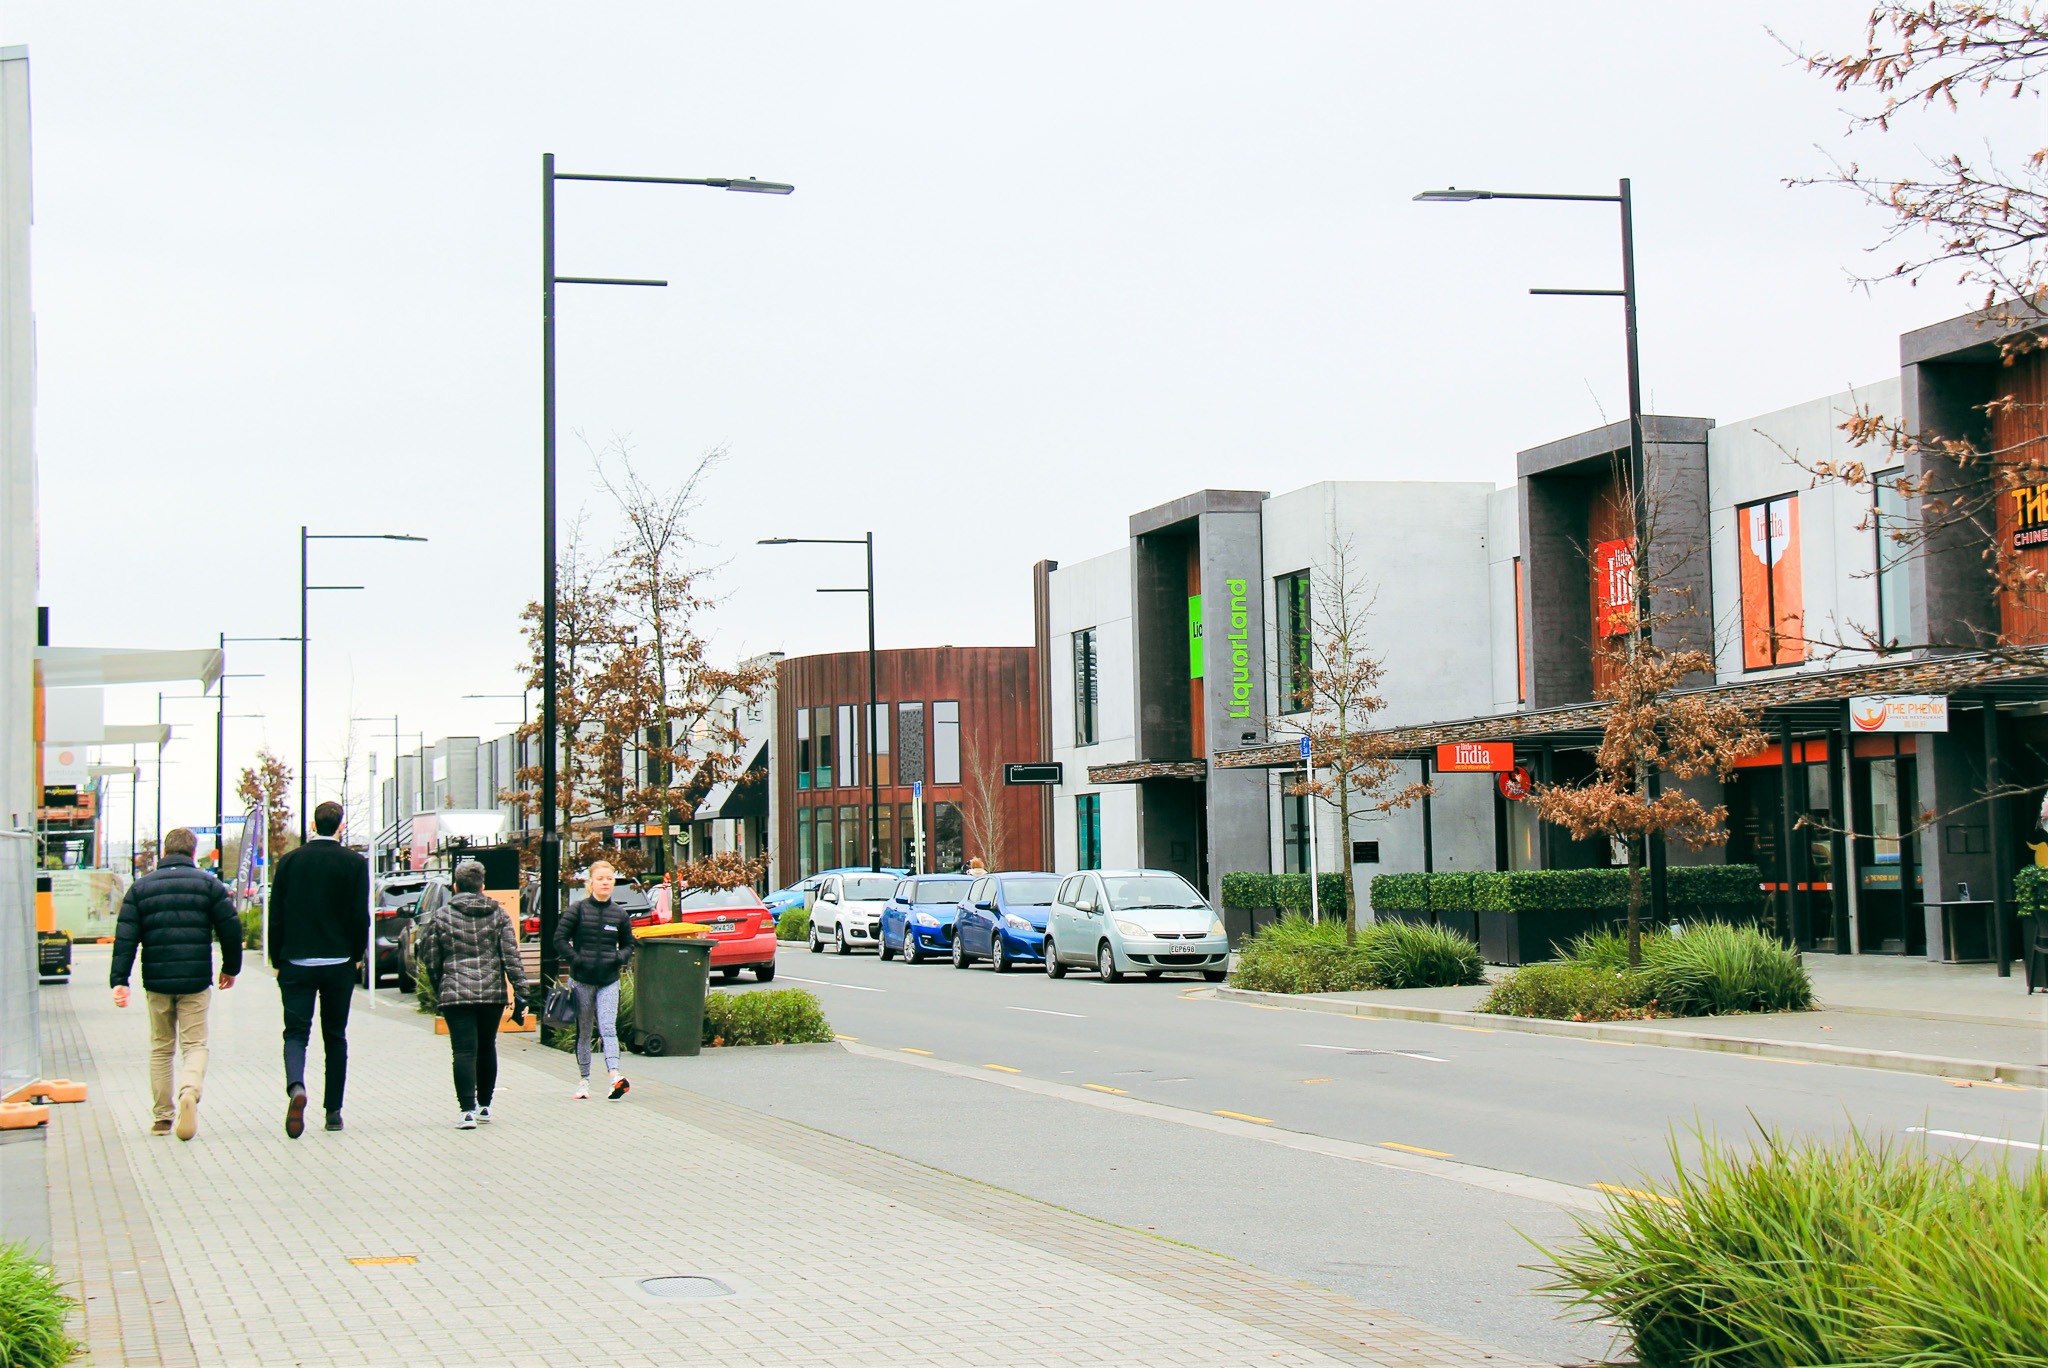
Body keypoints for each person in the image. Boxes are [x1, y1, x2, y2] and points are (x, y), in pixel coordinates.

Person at [109, 827, 241, 1140]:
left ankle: (162, 1118)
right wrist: (230, 968)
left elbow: (126, 936)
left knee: (160, 1048)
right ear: (193, 853)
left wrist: (119, 980)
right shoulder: (209, 885)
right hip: (195, 981)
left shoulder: (141, 888)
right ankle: (190, 1091)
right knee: (194, 1044)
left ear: (164, 852)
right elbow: (231, 927)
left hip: (156, 982)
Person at [268, 800, 370, 1137]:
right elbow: (359, 916)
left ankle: (296, 1085)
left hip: (296, 960)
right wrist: (356, 954)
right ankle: (333, 1112)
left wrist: (277, 959)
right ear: (340, 826)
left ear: (313, 824)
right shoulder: (355, 863)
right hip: (338, 961)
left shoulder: (289, 862)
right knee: (335, 1036)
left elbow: (277, 914)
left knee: (296, 1032)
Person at [420, 860, 526, 1129]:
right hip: (491, 993)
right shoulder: (498, 914)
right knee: (487, 1047)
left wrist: (439, 987)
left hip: (456, 992)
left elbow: (431, 956)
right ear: (483, 886)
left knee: (464, 1051)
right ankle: (486, 1105)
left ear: (455, 886)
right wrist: (521, 991)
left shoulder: (443, 915)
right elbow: (510, 955)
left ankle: (467, 1109)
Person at [552, 860, 633, 1100]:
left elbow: (629, 944)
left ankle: (614, 1077)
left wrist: (617, 958)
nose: (606, 883)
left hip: (608, 979)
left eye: (609, 878)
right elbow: (559, 939)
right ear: (591, 883)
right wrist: (576, 959)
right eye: (601, 879)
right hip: (582, 981)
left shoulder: (619, 914)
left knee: (608, 1028)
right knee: (585, 1030)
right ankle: (584, 1081)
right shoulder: (578, 910)